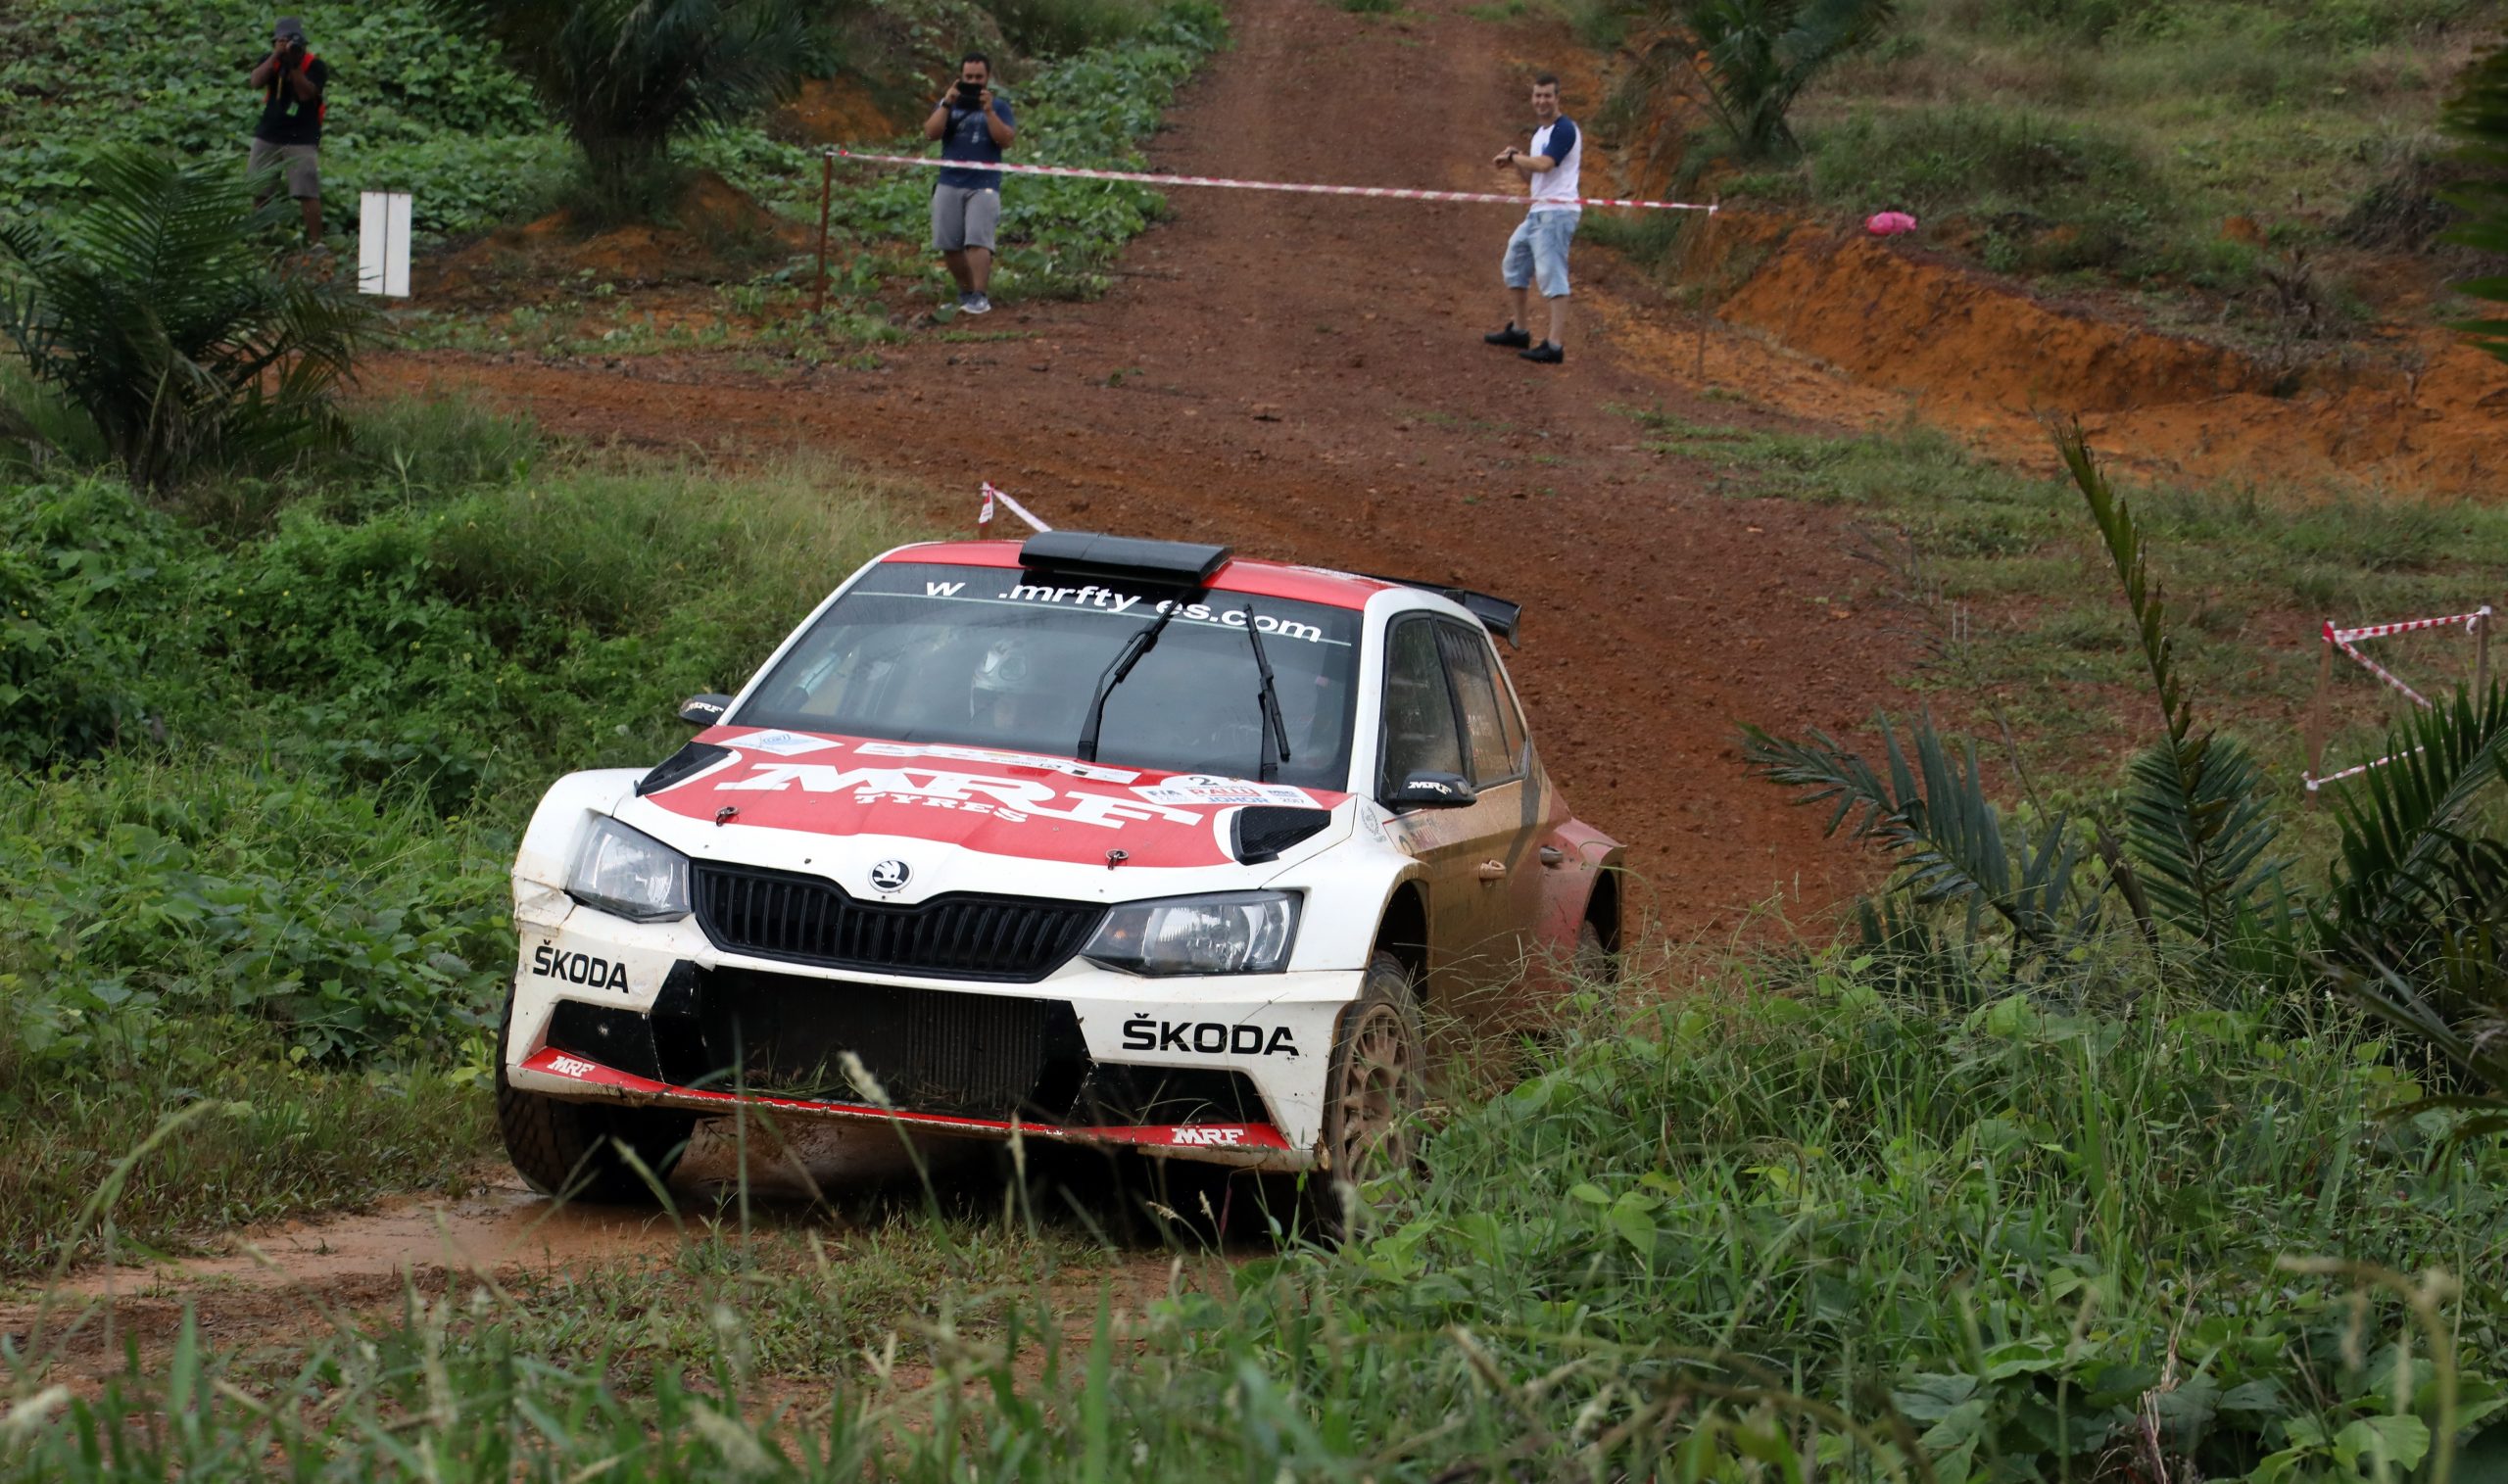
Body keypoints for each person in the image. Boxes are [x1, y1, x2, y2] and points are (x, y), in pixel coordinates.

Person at [1483, 73, 1582, 365]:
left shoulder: (1565, 130)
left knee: (1552, 275)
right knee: (1514, 262)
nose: (1541, 101)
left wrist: (1516, 157)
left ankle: (1554, 346)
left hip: (1557, 212)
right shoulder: (1540, 134)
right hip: (1539, 209)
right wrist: (1515, 162)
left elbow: (1544, 164)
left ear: (1557, 98)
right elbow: (1532, 176)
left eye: (1547, 95)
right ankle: (1520, 329)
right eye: (1537, 95)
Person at [924, 53, 1017, 315]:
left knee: (978, 240)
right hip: (949, 180)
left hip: (983, 182)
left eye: (978, 77)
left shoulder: (999, 107)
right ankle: (965, 292)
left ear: (987, 79)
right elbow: (931, 133)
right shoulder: (949, 104)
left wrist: (989, 112)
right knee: (949, 242)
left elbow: (1005, 140)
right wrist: (946, 104)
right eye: (969, 77)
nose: (973, 82)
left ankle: (980, 294)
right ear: (960, 77)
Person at [246, 16, 329, 246]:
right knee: (260, 188)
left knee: (306, 190)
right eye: (282, 41)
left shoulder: (315, 66)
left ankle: (316, 242)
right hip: (268, 133)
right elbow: (255, 82)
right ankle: (262, 237)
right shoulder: (272, 61)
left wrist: (294, 65)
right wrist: (275, 56)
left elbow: (305, 94)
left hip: (301, 137)